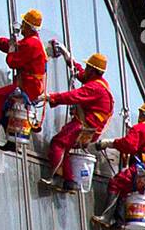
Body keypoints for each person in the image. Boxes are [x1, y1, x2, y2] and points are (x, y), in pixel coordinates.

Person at [42, 53, 114, 191]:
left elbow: (74, 96)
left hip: (83, 127)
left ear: (93, 71)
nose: (85, 69)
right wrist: (69, 60)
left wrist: (52, 97)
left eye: (88, 67)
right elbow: (81, 74)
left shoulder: (95, 88)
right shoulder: (100, 85)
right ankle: (69, 182)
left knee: (58, 144)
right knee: (65, 148)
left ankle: (58, 178)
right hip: (90, 129)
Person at [0, 9, 47, 149]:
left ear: (28, 26)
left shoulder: (31, 44)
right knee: (4, 107)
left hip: (27, 86)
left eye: (24, 24)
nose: (21, 26)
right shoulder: (32, 42)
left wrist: (10, 51)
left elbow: (12, 60)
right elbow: (14, 46)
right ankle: (12, 142)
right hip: (29, 85)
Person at [92, 101, 145, 228]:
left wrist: (110, 143)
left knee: (116, 183)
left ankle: (106, 218)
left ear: (142, 114)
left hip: (140, 169)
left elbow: (129, 145)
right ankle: (119, 223)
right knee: (124, 189)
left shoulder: (140, 128)